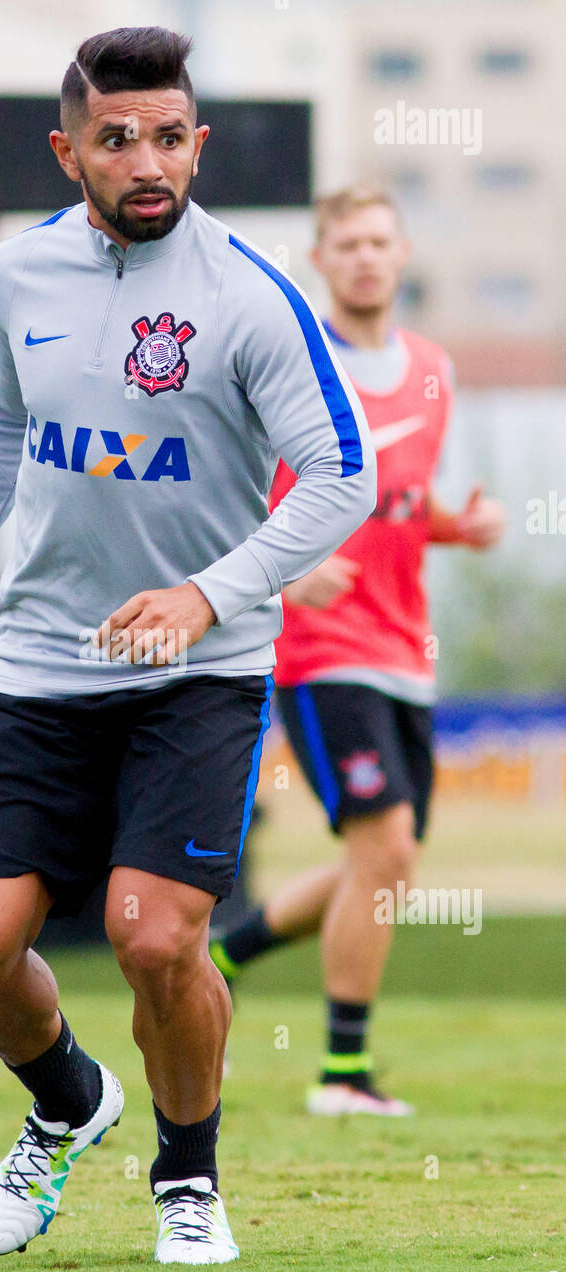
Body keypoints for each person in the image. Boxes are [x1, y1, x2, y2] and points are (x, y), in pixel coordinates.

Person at [0, 28, 375, 1265]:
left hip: (196, 675)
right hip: (44, 667)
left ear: (196, 143)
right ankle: (68, 1102)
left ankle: (187, 1178)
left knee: (153, 933)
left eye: (168, 135)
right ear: (69, 152)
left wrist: (206, 596)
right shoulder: (15, 276)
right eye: (116, 139)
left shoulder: (250, 294)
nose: (146, 159)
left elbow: (342, 474)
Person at [209, 184, 506, 1116]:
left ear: (404, 253)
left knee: (387, 861)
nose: (368, 257)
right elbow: (229, 497)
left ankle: (226, 953)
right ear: (323, 258)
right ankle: (342, 1075)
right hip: (317, 649)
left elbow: (404, 510)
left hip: (403, 651)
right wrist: (284, 578)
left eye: (382, 241)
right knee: (383, 850)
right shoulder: (293, 360)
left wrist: (466, 527)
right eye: (349, 244)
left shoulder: (432, 371)